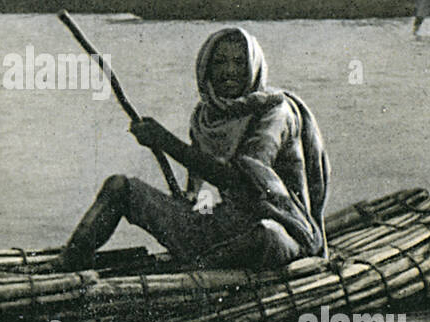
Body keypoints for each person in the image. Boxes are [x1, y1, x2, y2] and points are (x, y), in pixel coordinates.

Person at [47, 28, 330, 272]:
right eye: (219, 62)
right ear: (206, 68)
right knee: (120, 187)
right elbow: (199, 186)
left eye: (239, 62)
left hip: (281, 230)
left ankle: (198, 267)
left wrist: (165, 142)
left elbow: (242, 178)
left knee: (264, 236)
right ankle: (70, 261)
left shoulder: (275, 112)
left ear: (254, 66)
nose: (229, 71)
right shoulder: (205, 116)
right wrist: (189, 199)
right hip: (226, 226)